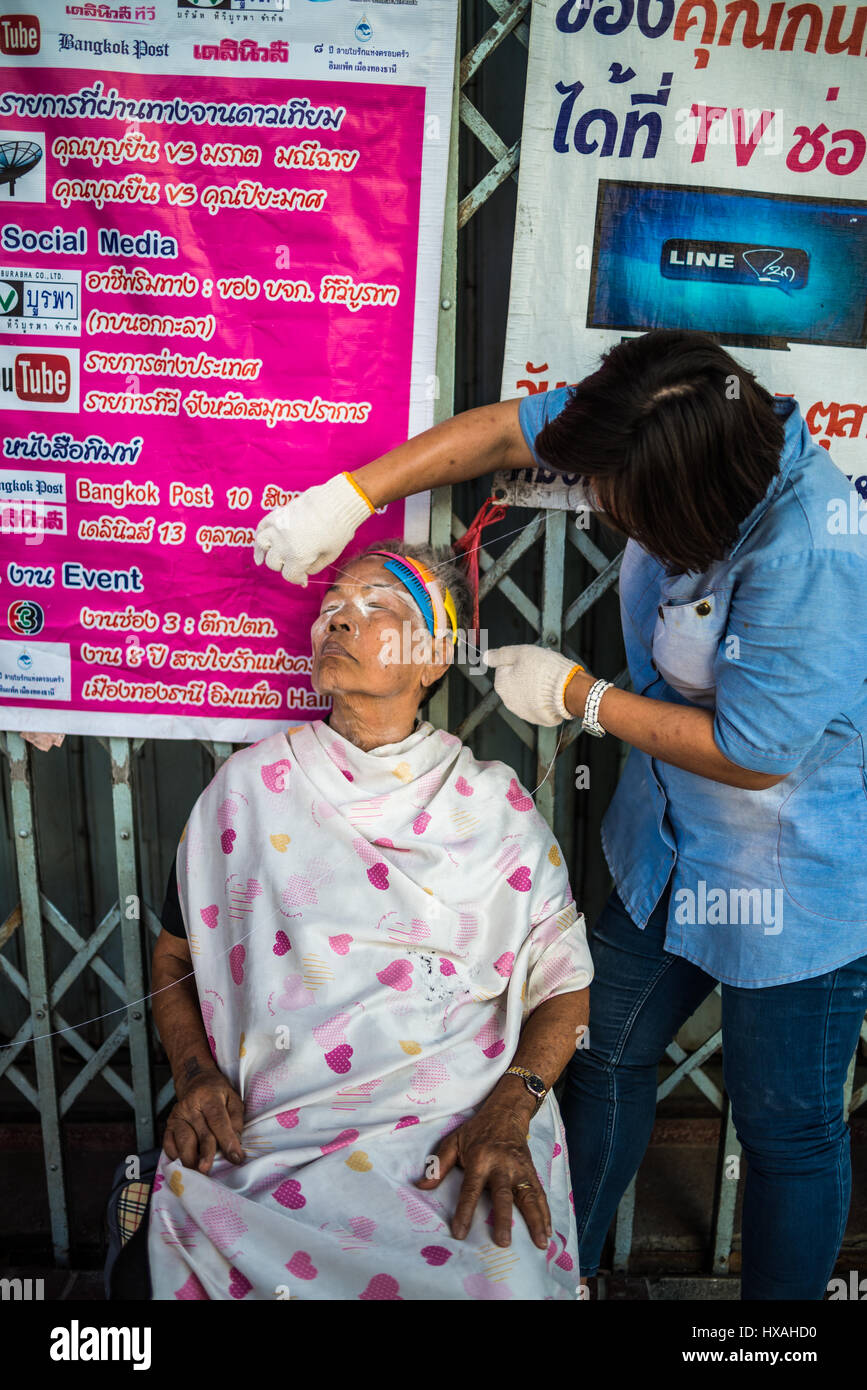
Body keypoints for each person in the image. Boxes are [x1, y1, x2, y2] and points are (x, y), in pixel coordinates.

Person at [253, 329, 867, 1299]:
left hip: (793, 873)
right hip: (662, 843)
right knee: (605, 1053)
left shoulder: (812, 551)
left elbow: (757, 753)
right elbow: (504, 433)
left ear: (694, 499)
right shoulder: (659, 408)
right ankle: (553, 1276)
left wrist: (583, 698)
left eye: (632, 515)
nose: (611, 522)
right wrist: (351, 494)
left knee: (786, 1123)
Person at [146, 540, 593, 1301]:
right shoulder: (246, 790)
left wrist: (510, 1110)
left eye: (374, 609)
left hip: (454, 1119)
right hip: (280, 1123)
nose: (338, 625)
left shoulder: (491, 805)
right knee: (200, 1237)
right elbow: (172, 955)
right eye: (329, 612)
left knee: (498, 1271)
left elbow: (563, 984)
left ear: (431, 658)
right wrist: (193, 1074)